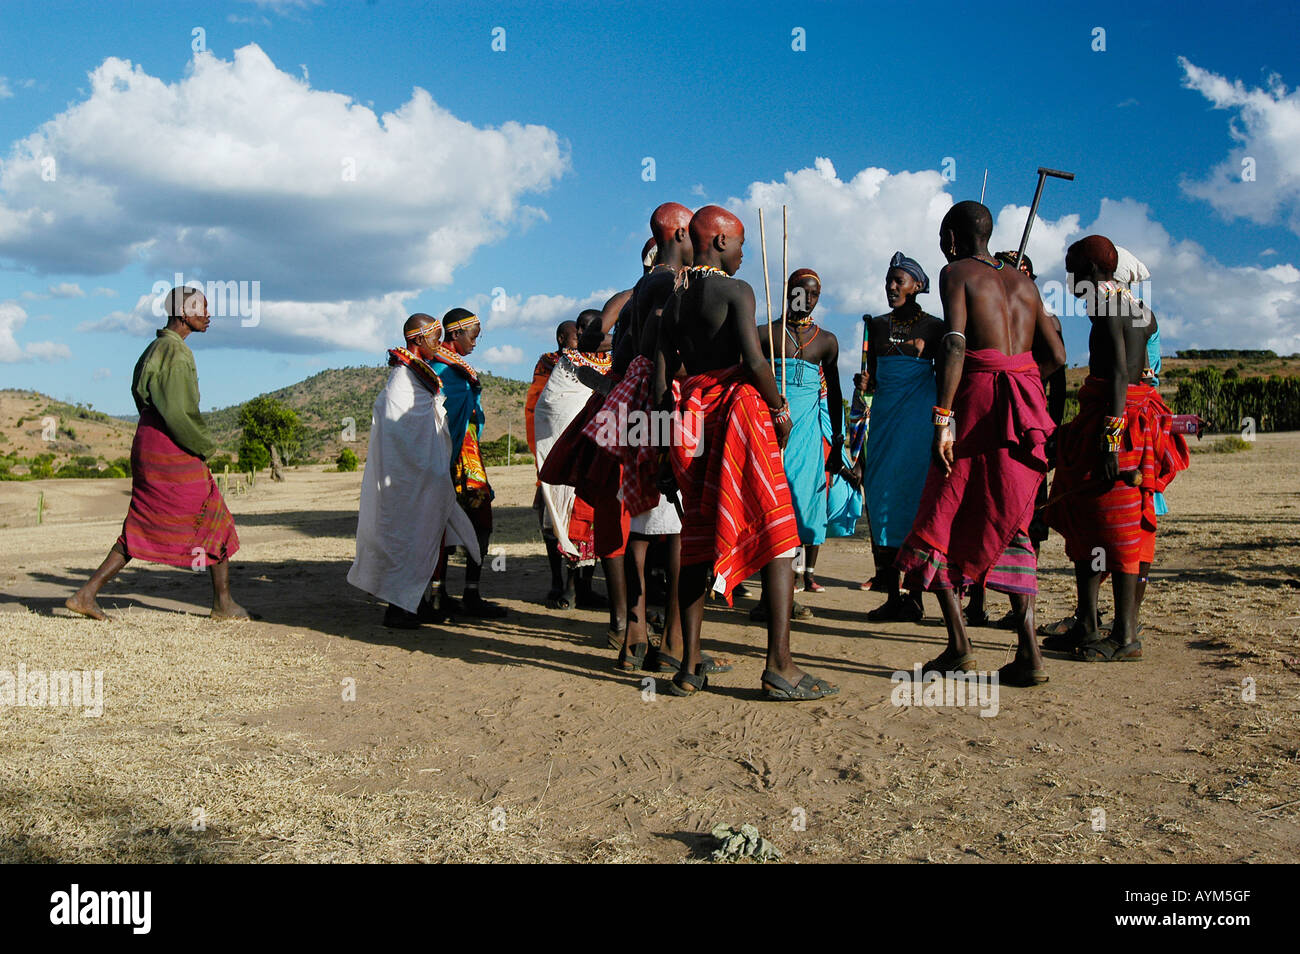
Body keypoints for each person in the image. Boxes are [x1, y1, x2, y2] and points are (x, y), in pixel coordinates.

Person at [654, 205, 839, 700]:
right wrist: (779, 409)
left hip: (690, 422)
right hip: (740, 417)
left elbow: (658, 383)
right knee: (779, 534)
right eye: (738, 244)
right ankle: (780, 665)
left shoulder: (671, 303)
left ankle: (689, 667)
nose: (743, 254)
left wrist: (660, 450)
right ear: (717, 241)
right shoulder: (736, 291)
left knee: (694, 539)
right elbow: (755, 362)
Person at [893, 201, 1065, 687]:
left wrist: (943, 416)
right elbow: (1056, 354)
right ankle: (1028, 653)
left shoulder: (956, 273)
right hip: (1023, 410)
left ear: (951, 237)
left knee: (939, 516)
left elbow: (953, 343)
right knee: (1011, 520)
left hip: (974, 406)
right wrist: (1019, 378)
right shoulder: (1025, 282)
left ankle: (960, 646)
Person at [1044, 235, 1189, 661]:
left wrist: (1109, 443)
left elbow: (1122, 378)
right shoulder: (1140, 309)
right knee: (1095, 523)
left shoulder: (1109, 308)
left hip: (1116, 428)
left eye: (1072, 270)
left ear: (1089, 272)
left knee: (1117, 529)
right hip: (1129, 423)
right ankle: (1088, 626)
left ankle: (1125, 637)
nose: (1069, 280)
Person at [66, 287, 248, 621]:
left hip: (149, 441)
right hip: (171, 447)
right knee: (216, 517)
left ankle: (86, 594)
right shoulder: (177, 353)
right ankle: (223, 605)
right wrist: (204, 446)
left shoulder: (153, 348)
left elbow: (143, 399)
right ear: (183, 312)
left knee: (143, 520)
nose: (209, 316)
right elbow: (178, 413)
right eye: (202, 309)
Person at [584, 202, 695, 673]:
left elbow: (591, 339)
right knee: (676, 527)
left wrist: (621, 374)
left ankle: (635, 632)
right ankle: (670, 641)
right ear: (676, 234)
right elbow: (668, 348)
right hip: (662, 406)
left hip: (630, 407)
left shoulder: (629, 293)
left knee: (645, 522)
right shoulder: (672, 285)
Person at [348, 314, 481, 627]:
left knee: (425, 537)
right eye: (434, 337)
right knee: (407, 538)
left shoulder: (417, 375)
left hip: (424, 478)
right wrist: (424, 469)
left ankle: (417, 603)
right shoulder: (402, 382)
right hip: (406, 482)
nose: (439, 342)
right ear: (418, 340)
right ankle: (398, 609)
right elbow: (400, 437)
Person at [966, 250, 1062, 629]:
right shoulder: (1004, 310)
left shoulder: (1043, 319)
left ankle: (1018, 612)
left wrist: (1018, 379)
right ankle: (978, 600)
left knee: (1014, 517)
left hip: (1016, 421)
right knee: (997, 511)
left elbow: (1057, 368)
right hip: (1009, 422)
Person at [854, 253, 946, 620]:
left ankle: (917, 595)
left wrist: (945, 425)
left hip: (919, 424)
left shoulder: (937, 328)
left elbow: (947, 376)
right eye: (889, 280)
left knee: (916, 503)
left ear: (918, 286)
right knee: (881, 503)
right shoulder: (874, 326)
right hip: (885, 424)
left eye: (899, 281)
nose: (891, 286)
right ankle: (893, 595)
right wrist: (865, 384)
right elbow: (873, 377)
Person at [757, 268, 853, 595]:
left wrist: (838, 442)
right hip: (772, 431)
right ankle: (764, 574)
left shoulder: (826, 342)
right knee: (769, 502)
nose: (807, 299)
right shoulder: (766, 335)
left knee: (802, 504)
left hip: (809, 436)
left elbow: (837, 394)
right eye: (802, 292)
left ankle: (796, 575)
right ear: (788, 292)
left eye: (814, 295)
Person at [429, 307, 507, 619]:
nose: (476, 341)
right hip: (454, 456)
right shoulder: (441, 368)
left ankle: (450, 593)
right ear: (456, 333)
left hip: (465, 452)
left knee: (463, 522)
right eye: (473, 335)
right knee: (467, 523)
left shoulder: (455, 367)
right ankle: (452, 594)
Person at [534, 310, 613, 614]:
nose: (602, 335)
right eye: (593, 330)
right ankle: (562, 585)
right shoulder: (563, 364)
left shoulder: (614, 362)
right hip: (562, 454)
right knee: (557, 515)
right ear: (580, 331)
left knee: (589, 519)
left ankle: (584, 587)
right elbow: (549, 407)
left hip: (594, 453)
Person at [527, 320, 579, 608]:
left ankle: (577, 585)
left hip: (581, 453)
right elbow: (538, 409)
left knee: (580, 521)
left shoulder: (595, 364)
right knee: (551, 522)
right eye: (575, 335)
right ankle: (556, 581)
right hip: (552, 452)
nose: (580, 339)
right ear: (561, 337)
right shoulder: (548, 366)